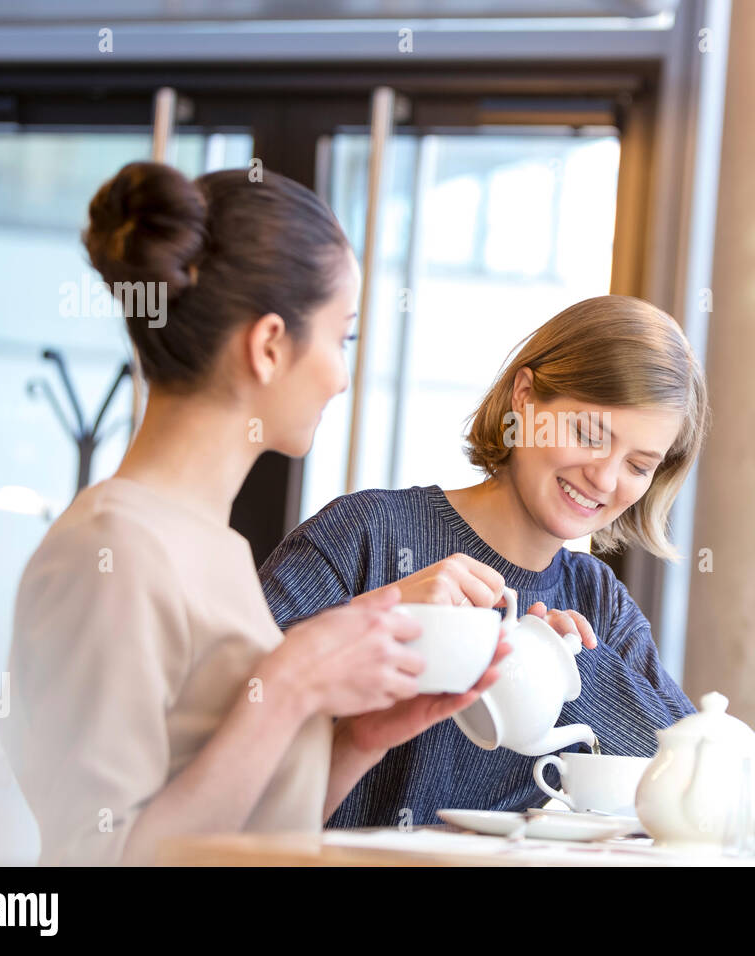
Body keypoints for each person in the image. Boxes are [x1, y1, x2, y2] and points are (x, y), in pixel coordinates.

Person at [0, 161, 507, 865]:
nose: (343, 374)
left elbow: (244, 836)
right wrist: (292, 684)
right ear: (269, 345)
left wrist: (358, 739)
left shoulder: (213, 546)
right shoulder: (111, 548)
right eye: (343, 338)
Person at [258, 294, 709, 827]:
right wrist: (379, 613)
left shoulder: (599, 603)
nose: (605, 480)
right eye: (589, 435)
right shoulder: (368, 534)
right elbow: (230, 706)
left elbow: (698, 781)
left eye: (638, 465)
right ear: (526, 398)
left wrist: (571, 668)